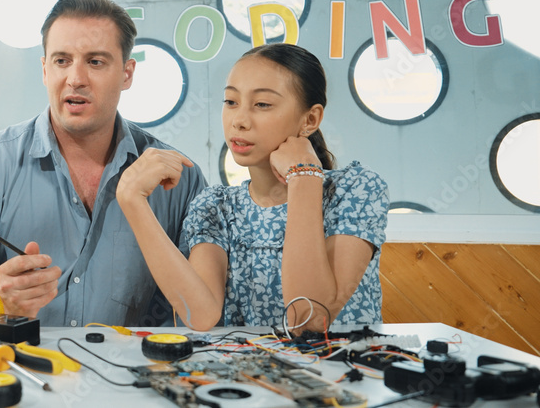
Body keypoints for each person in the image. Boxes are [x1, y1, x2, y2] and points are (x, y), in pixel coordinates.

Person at [0, 0, 206, 327]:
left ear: (127, 74)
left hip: (134, 375)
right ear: (45, 69)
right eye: (62, 61)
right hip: (13, 370)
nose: (75, 79)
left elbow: (202, 314)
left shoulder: (180, 181)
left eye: (95, 62)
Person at [116, 43, 388, 332]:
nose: (240, 121)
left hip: (346, 372)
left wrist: (304, 177)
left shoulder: (355, 190)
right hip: (248, 375)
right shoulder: (216, 206)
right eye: (231, 102)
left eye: (262, 104)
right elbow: (200, 316)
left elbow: (307, 321)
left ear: (310, 119)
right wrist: (132, 201)